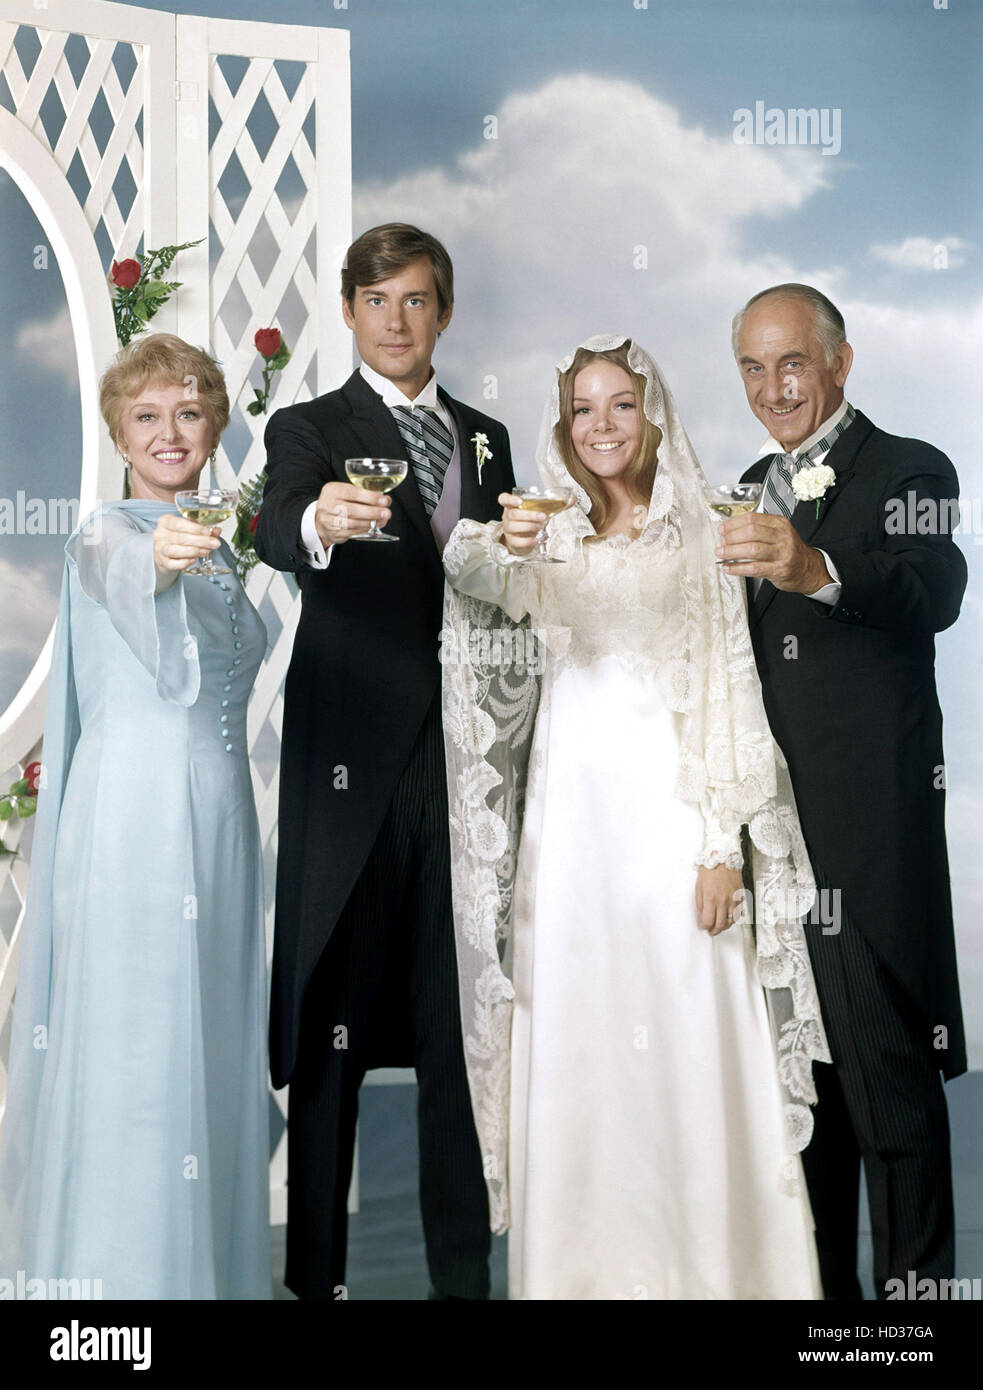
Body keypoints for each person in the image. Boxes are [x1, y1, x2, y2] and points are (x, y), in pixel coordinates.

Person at [440, 334, 830, 1300]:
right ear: (561, 426)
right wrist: (502, 541)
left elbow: (728, 684)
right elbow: (467, 573)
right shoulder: (547, 531)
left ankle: (714, 1271)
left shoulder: (699, 529)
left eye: (621, 405)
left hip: (668, 819)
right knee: (579, 1035)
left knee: (686, 1017)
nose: (601, 425)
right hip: (569, 835)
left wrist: (719, 848)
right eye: (582, 409)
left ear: (652, 415)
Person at [253, 224, 516, 1300]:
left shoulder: (487, 436)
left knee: (458, 1028)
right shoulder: (310, 426)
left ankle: (463, 1284)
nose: (396, 320)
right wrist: (317, 517)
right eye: (376, 301)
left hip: (461, 770)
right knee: (327, 1030)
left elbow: (500, 589)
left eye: (414, 300)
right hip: (351, 770)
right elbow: (274, 523)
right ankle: (313, 1282)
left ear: (441, 312)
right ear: (350, 313)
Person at [0, 333, 271, 1300]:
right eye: (147, 416)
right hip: (136, 831)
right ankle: (127, 1296)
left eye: (189, 413)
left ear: (214, 429)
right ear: (118, 431)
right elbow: (134, 570)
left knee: (206, 1045)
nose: (169, 431)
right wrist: (160, 548)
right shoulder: (104, 535)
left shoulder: (221, 544)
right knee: (140, 1050)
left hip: (222, 826)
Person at [720, 284, 967, 1300]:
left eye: (790, 363)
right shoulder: (741, 483)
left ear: (839, 362)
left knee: (890, 1097)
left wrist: (812, 562)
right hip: (770, 843)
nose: (772, 388)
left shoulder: (911, 465)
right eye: (750, 368)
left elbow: (933, 591)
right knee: (805, 1101)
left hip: (865, 838)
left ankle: (910, 1319)